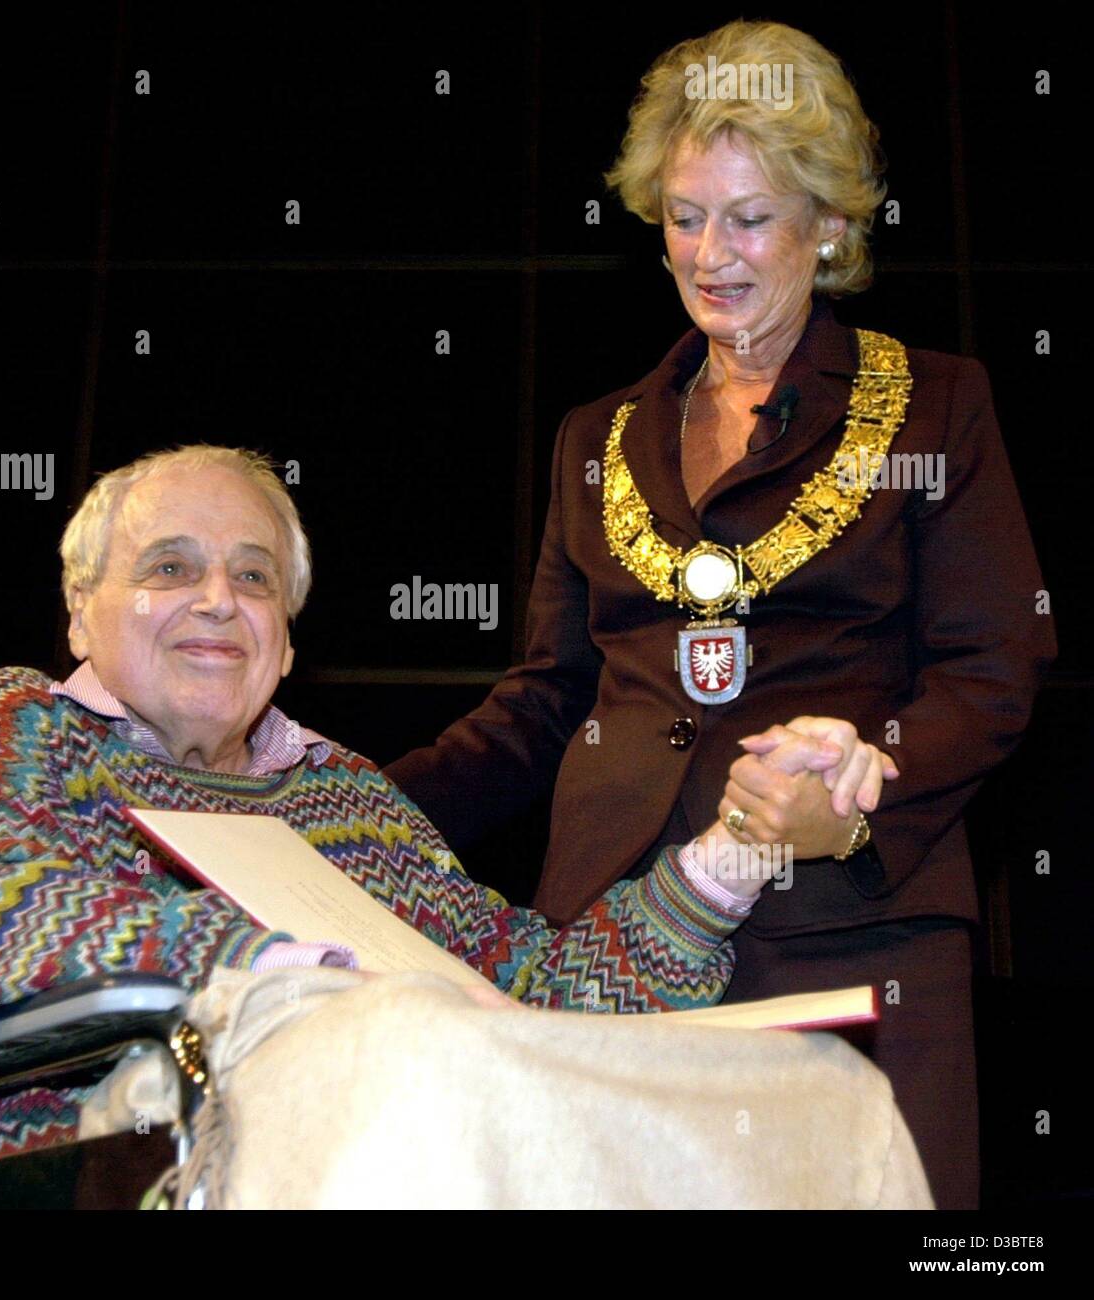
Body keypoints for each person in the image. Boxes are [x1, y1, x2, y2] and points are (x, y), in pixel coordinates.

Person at [385, 20, 1057, 1210]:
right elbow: (544, 702)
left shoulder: (938, 403)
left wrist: (856, 797)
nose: (711, 253)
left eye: (749, 217)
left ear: (833, 225)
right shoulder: (592, 438)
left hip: (853, 929)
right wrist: (355, 809)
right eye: (685, 216)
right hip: (607, 942)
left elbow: (995, 664)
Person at [0, 444, 861, 1176]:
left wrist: (741, 843)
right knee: (413, 1058)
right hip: (94, 1157)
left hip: (385, 1118)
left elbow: (540, 985)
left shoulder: (345, 794)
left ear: (287, 636)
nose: (220, 598)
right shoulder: (22, 723)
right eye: (170, 567)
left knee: (819, 1094)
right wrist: (280, 967)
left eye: (255, 576)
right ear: (79, 607)